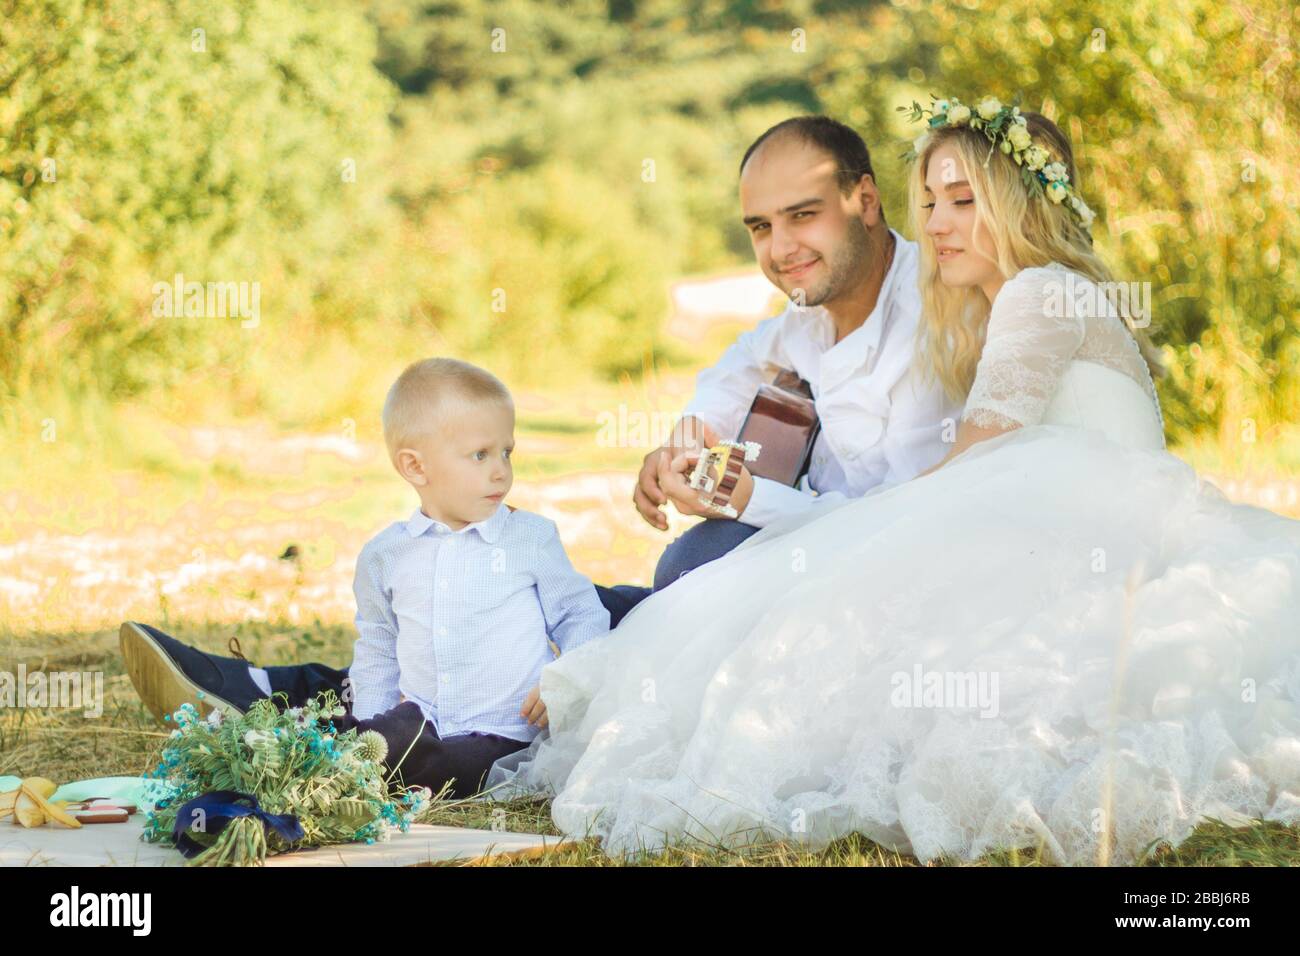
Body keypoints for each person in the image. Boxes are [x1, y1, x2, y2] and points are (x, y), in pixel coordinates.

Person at [484, 97, 1300, 866]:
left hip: (1080, 531)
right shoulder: (987, 300)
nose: (939, 225)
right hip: (1038, 522)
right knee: (712, 574)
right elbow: (736, 384)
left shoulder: (1028, 295)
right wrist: (690, 452)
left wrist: (785, 511)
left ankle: (595, 637)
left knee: (779, 608)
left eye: (964, 202)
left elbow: (968, 471)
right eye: (934, 203)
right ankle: (599, 630)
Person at [122, 357, 609, 797]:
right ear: (415, 467)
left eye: (507, 452)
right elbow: (377, 650)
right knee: (386, 740)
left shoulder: (528, 538)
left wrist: (564, 679)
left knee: (431, 760)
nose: (501, 472)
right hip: (424, 721)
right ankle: (282, 749)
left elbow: (581, 613)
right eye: (481, 455)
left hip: (507, 732)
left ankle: (320, 760)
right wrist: (369, 725)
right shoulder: (387, 556)